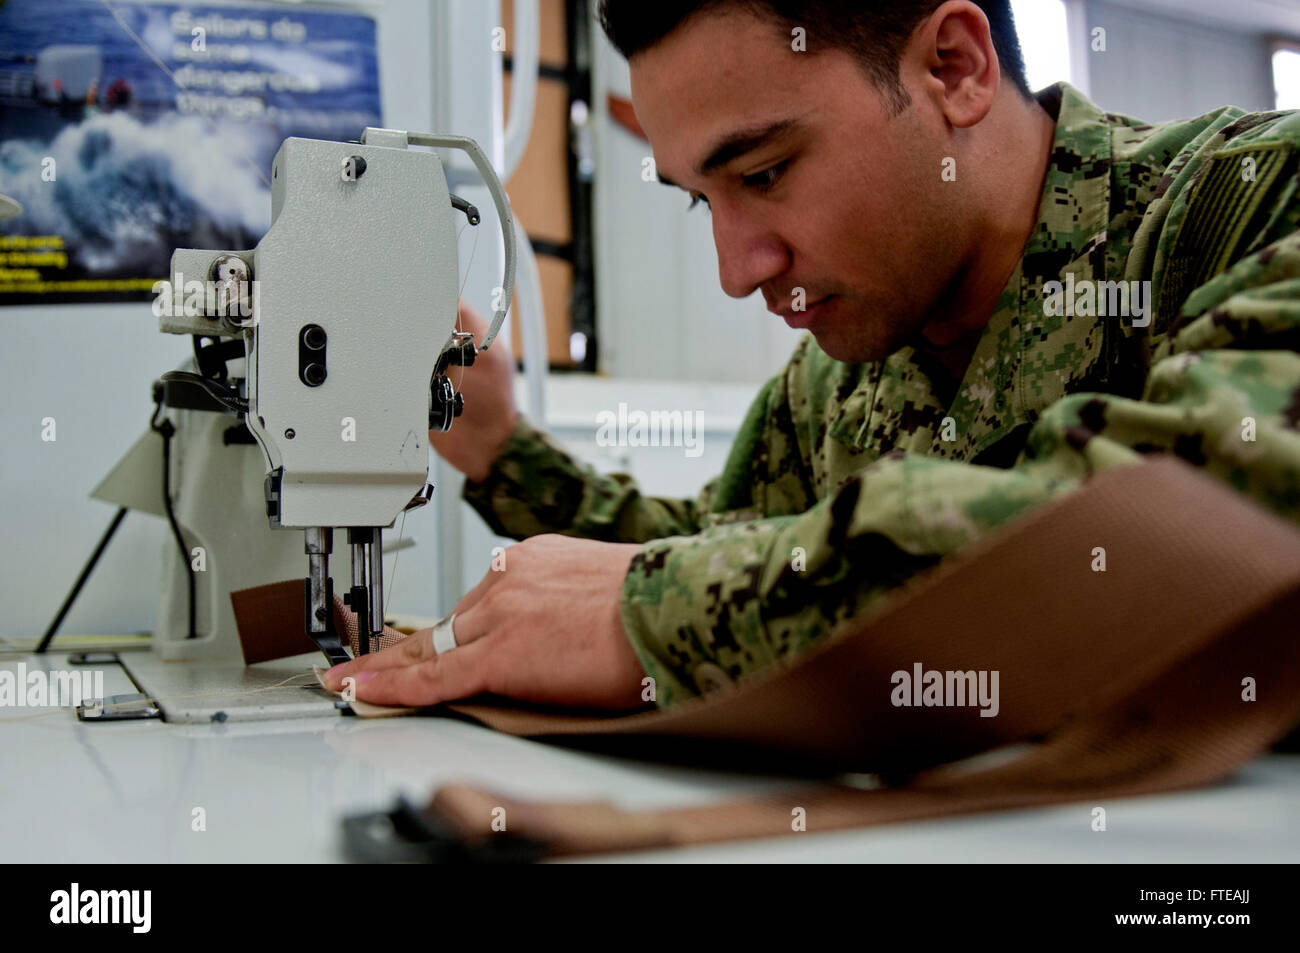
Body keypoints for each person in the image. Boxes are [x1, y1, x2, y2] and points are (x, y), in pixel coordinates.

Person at [323, 0, 1300, 711]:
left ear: (954, 69)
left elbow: (1201, 513)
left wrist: (657, 613)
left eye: (766, 172)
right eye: (703, 200)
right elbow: (721, 542)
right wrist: (500, 448)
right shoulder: (837, 373)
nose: (737, 271)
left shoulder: (1255, 205)